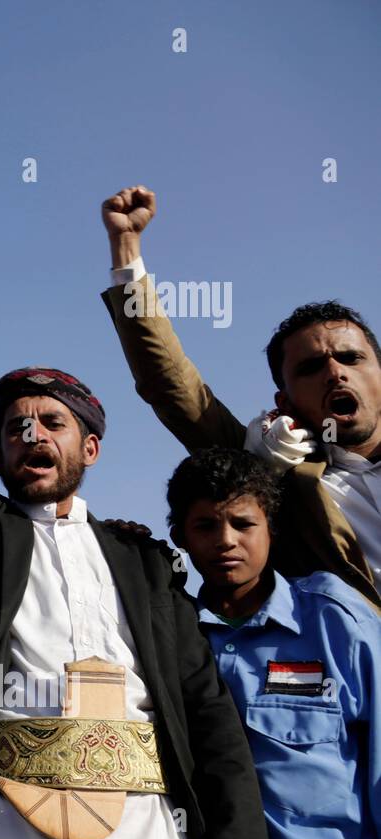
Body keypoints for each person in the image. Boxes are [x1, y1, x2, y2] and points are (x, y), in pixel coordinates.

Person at [0, 219, 269, 839]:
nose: (32, 435)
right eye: (14, 428)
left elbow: (210, 722)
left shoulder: (143, 565)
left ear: (89, 447)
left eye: (52, 422)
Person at [100, 184, 381, 611]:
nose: (335, 372)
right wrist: (126, 247)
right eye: (310, 367)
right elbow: (171, 385)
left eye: (350, 357)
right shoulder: (272, 473)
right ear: (283, 402)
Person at [167, 447, 381, 839]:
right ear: (181, 538)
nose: (226, 540)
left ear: (272, 529)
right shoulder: (170, 639)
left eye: (243, 524)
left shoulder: (334, 619)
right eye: (206, 526)